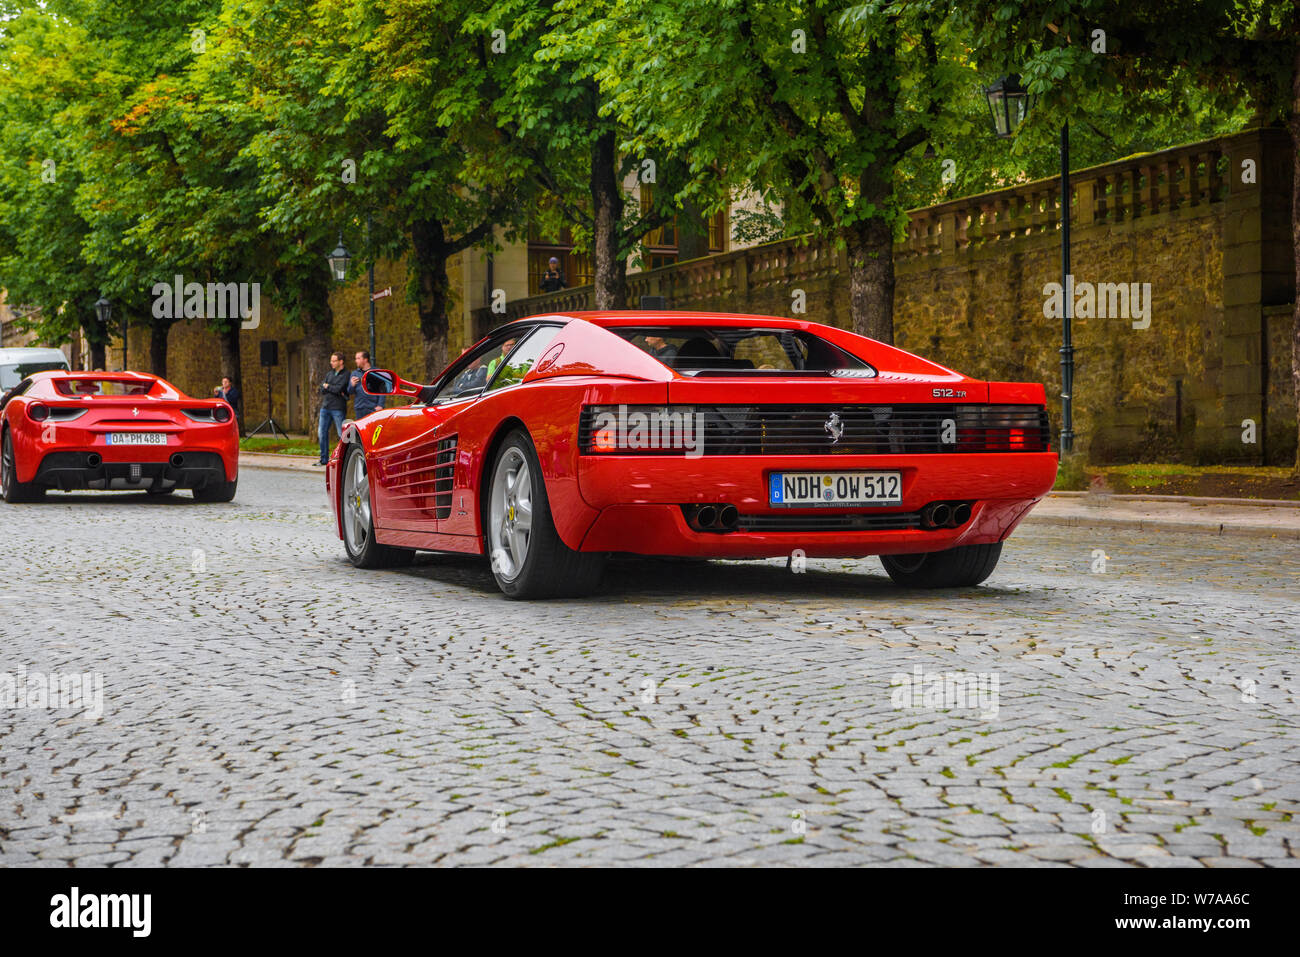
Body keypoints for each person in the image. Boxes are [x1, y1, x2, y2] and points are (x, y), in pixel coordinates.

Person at [317, 351, 349, 465]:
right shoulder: (329, 374)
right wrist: (330, 387)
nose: (331, 363)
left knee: (341, 434)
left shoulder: (346, 374)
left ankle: (344, 460)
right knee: (322, 433)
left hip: (338, 408)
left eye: (334, 361)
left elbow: (339, 389)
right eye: (331, 360)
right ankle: (323, 459)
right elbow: (322, 388)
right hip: (325, 407)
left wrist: (328, 386)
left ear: (341, 362)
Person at [349, 350, 384, 420]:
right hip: (359, 408)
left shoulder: (376, 372)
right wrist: (352, 385)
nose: (356, 361)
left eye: (358, 358)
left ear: (365, 359)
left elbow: (382, 390)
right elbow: (350, 391)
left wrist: (380, 405)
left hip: (373, 408)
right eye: (356, 358)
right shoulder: (354, 373)